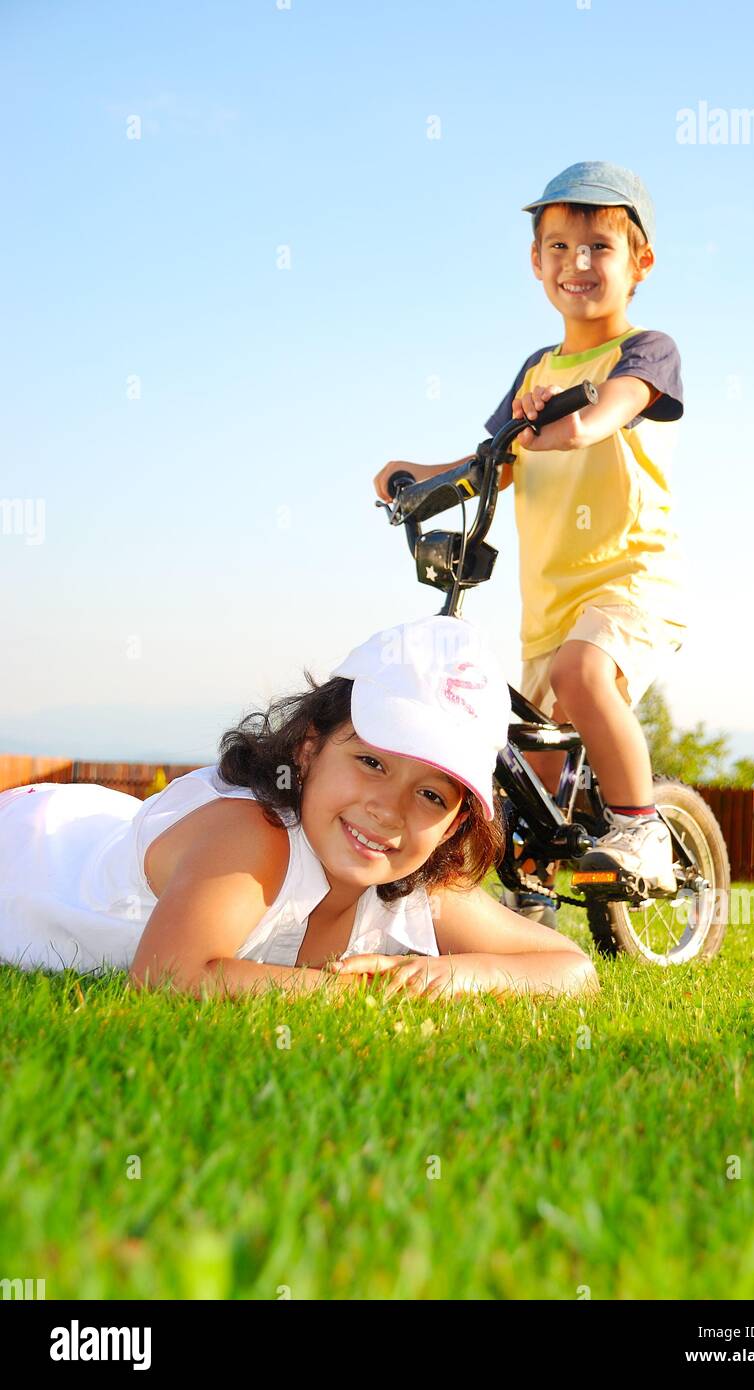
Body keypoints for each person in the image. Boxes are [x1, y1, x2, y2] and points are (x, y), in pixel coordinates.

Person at [374, 162, 687, 926]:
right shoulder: (536, 370)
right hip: (549, 600)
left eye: (598, 248)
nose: (576, 265)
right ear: (537, 261)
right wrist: (422, 477)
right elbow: (497, 461)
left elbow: (619, 405)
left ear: (639, 262)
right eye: (558, 248)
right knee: (531, 765)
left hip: (630, 582)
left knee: (586, 673)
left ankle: (643, 831)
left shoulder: (645, 350)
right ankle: (531, 897)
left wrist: (578, 421)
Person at [0, 614, 599, 1001]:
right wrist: (355, 995)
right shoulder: (253, 835)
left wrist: (462, 975)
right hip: (32, 846)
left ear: (453, 826)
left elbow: (572, 969)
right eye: (371, 761)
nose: (388, 810)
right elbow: (166, 977)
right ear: (309, 746)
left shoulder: (415, 889)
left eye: (431, 794)